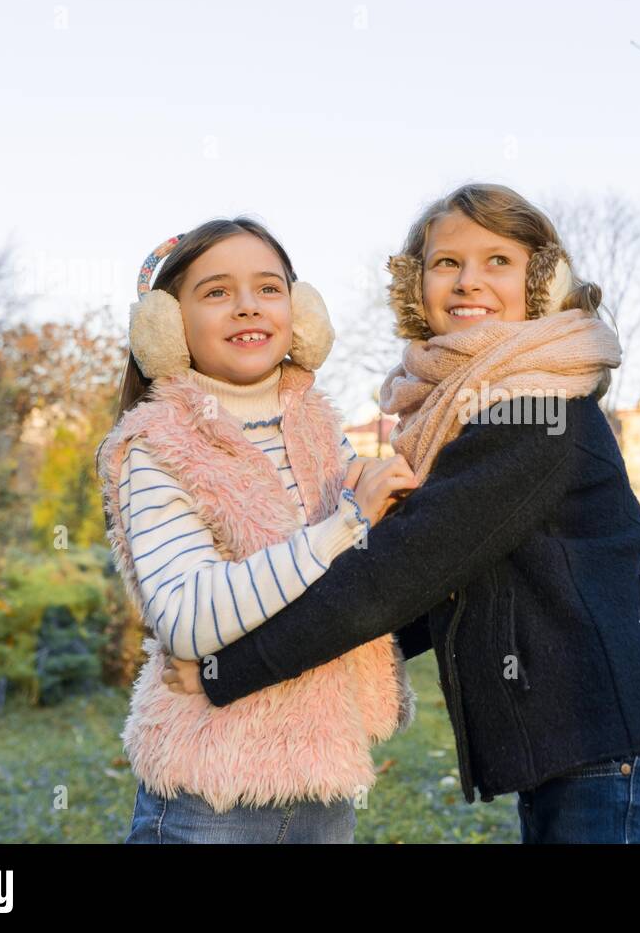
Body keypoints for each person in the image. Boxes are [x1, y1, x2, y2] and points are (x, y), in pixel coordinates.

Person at [165, 185, 640, 844]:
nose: (467, 281)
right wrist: (303, 666)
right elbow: (439, 593)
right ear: (417, 283)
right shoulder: (470, 409)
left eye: (498, 262)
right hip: (584, 759)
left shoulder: (536, 411)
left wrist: (234, 667)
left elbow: (404, 568)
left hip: (615, 758)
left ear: (540, 282)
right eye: (446, 263)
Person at [96, 217, 418, 842]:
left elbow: (377, 575)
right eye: (216, 292)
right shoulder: (155, 445)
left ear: (301, 313)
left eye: (268, 288)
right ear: (166, 326)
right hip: (210, 791)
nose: (247, 306)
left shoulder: (317, 430)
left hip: (324, 779)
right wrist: (343, 527)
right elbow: (189, 616)